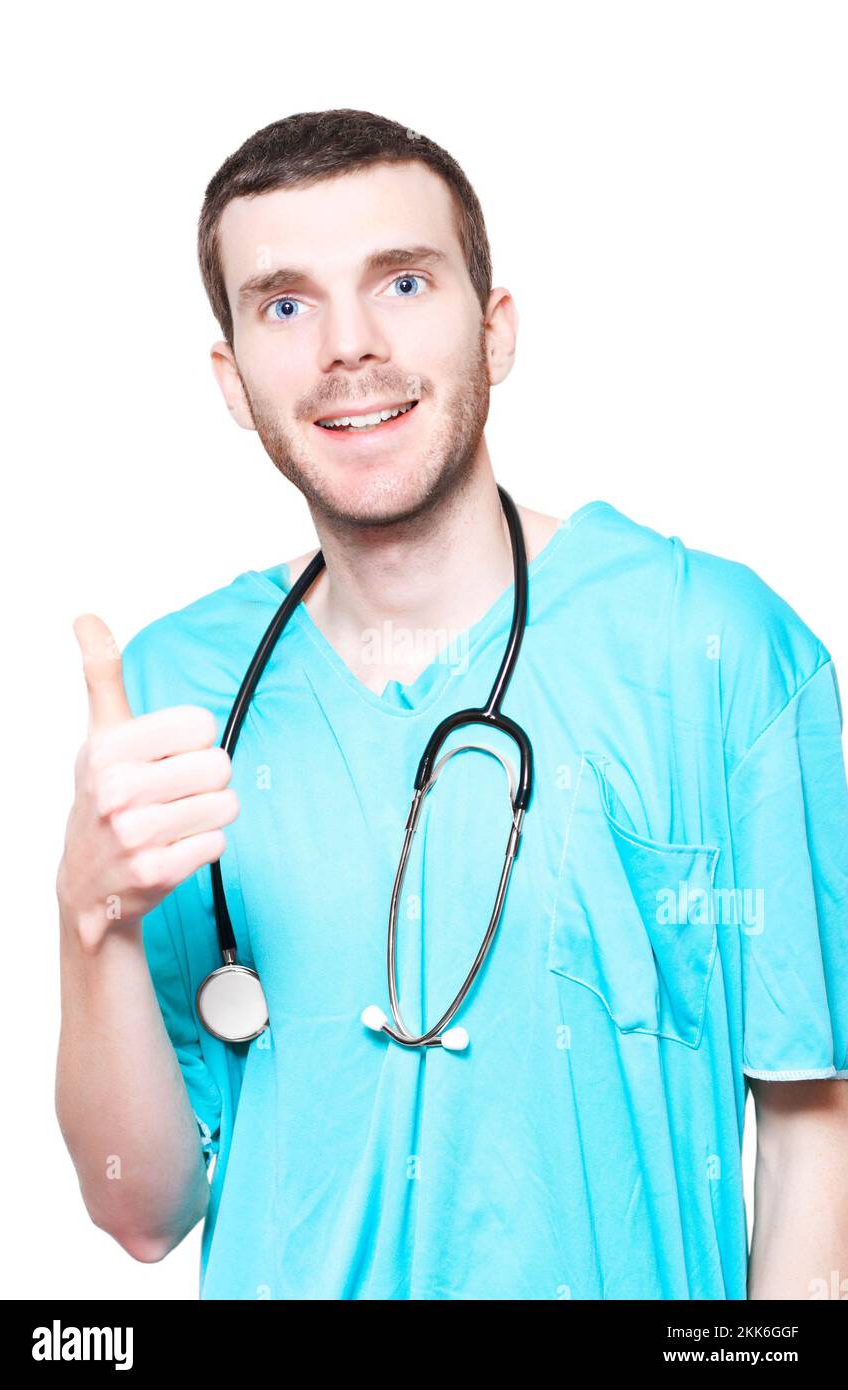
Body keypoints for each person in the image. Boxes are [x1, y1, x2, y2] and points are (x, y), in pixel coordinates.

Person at [55, 109, 848, 1301]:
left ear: (495, 329)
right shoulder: (175, 694)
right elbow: (140, 1208)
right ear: (231, 379)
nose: (347, 345)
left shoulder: (716, 649)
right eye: (284, 303)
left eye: (404, 281)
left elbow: (809, 1127)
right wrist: (90, 918)